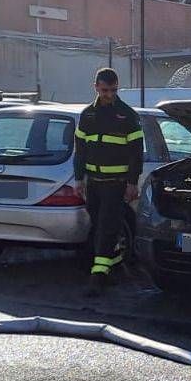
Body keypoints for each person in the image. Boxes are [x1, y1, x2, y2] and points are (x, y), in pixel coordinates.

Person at [73, 68, 143, 297]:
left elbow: (136, 152)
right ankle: (111, 266)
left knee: (106, 227)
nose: (109, 95)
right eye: (105, 90)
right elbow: (80, 150)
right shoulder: (87, 115)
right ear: (96, 87)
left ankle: (98, 277)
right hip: (94, 182)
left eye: (113, 90)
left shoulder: (127, 114)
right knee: (99, 226)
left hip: (116, 183)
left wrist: (132, 182)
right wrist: (78, 178)